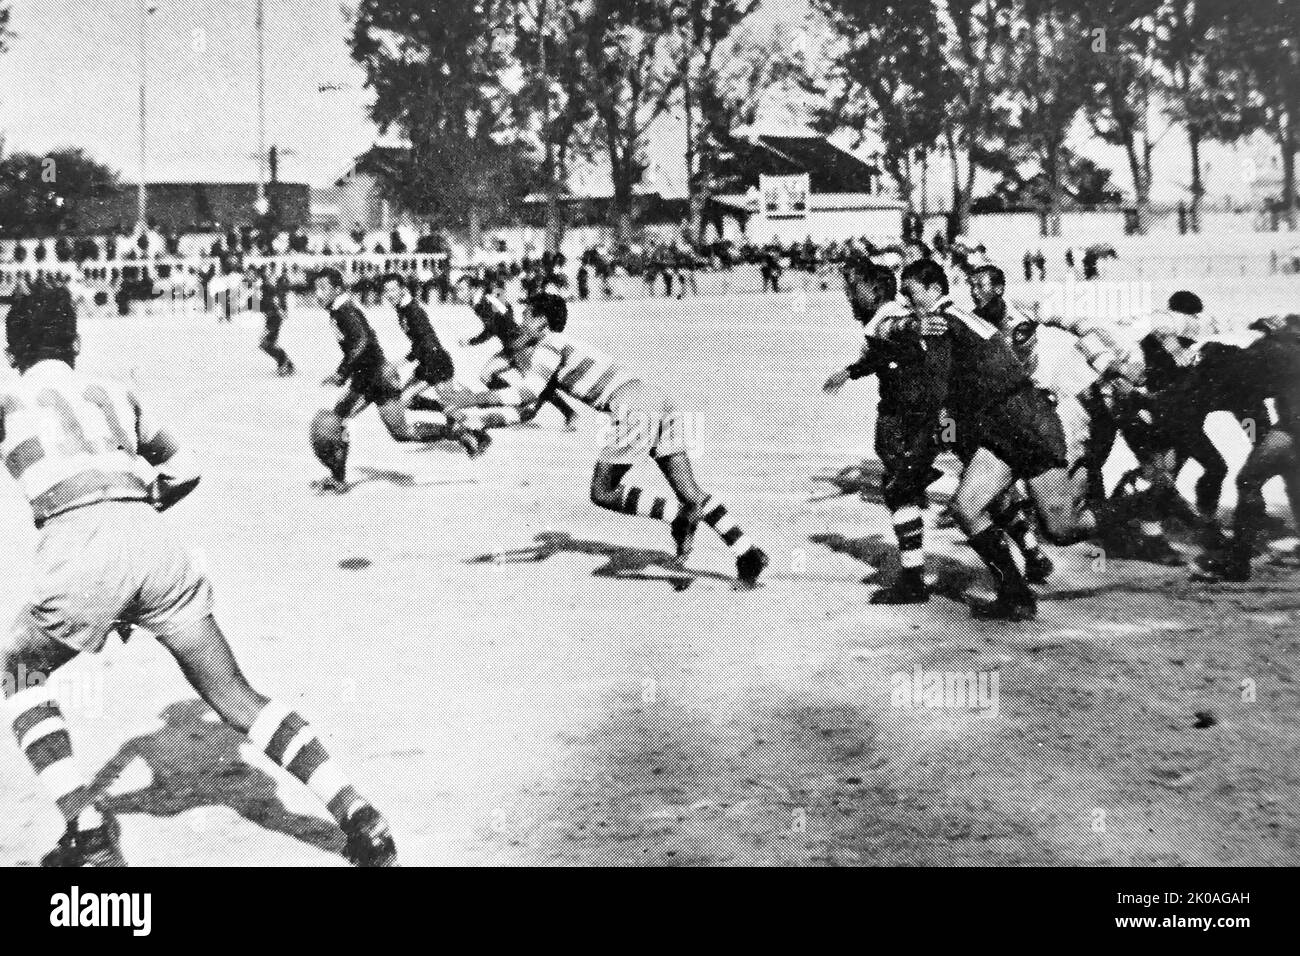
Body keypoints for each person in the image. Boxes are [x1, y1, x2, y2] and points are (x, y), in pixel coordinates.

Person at [0, 283, 398, 867]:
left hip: (78, 545)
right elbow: (184, 471)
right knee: (237, 697)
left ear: (13, 349)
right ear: (75, 340)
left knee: (18, 674)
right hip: (155, 541)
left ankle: (86, 829)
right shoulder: (113, 390)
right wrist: (133, 521)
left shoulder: (8, 400)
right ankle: (359, 812)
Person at [441, 308, 770, 588]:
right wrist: (479, 421)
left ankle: (676, 516)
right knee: (691, 491)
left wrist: (474, 399)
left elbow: (526, 394)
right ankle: (747, 552)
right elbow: (527, 410)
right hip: (655, 398)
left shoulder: (549, 346)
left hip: (632, 408)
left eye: (526, 316)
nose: (520, 324)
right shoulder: (561, 350)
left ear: (541, 321)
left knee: (602, 491)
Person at [310, 269, 484, 493]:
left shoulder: (346, 310)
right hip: (372, 376)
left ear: (337, 289)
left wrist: (342, 372)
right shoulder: (338, 309)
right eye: (316, 288)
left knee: (344, 422)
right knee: (396, 431)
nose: (318, 293)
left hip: (375, 378)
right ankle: (459, 433)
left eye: (323, 288)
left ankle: (339, 477)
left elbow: (362, 340)